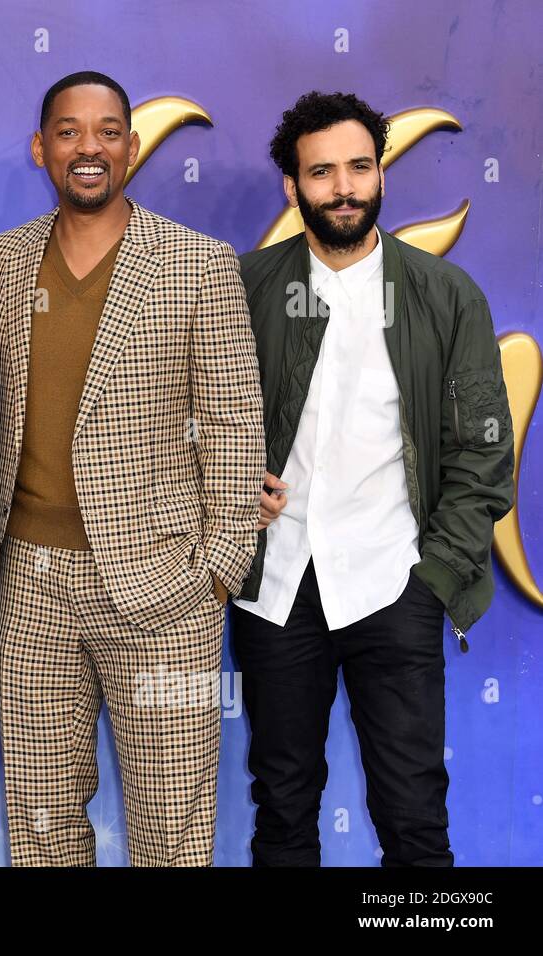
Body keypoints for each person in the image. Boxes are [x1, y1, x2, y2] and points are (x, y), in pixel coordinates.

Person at [0, 71, 265, 866]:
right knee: (41, 827)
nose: (87, 147)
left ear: (132, 148)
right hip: (27, 582)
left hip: (166, 588)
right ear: (41, 148)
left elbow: (238, 424)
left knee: (173, 829)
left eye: (106, 132)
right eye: (68, 131)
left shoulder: (199, 263)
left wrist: (219, 570)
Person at [230, 91, 515, 867]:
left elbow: (484, 454)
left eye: (360, 167)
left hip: (395, 581)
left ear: (382, 173)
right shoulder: (244, 289)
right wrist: (225, 488)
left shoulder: (445, 295)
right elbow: (188, 427)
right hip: (278, 585)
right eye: (322, 173)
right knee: (282, 807)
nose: (344, 187)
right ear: (292, 187)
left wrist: (437, 578)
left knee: (414, 813)